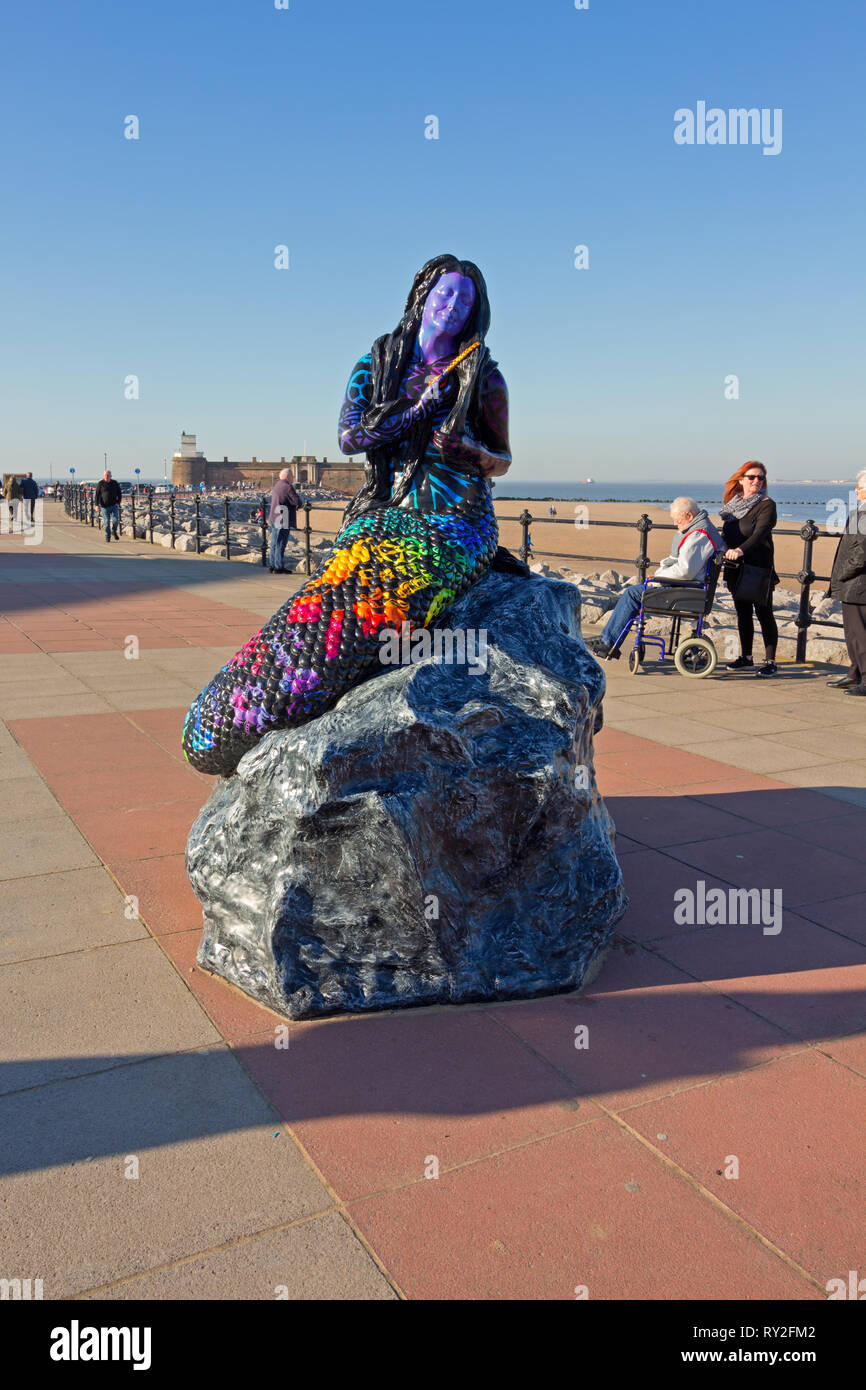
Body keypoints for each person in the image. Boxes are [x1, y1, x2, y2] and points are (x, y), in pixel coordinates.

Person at [183, 253, 511, 776]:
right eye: (444, 293)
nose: (451, 306)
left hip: (455, 518)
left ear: (475, 312)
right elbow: (350, 436)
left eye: (465, 300)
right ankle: (253, 695)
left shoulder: (484, 377)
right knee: (345, 572)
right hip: (385, 509)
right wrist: (417, 413)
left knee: (383, 586)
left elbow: (501, 460)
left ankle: (283, 691)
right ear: (422, 296)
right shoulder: (378, 363)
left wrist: (464, 447)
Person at [588, 497, 723, 659]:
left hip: (686, 589)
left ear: (689, 515)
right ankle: (607, 639)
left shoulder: (699, 535)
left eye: (677, 520)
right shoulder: (703, 528)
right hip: (690, 587)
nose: (675, 524)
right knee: (634, 592)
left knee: (632, 594)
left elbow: (685, 571)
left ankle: (608, 643)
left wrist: (659, 577)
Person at [720, 461, 779, 676]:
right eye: (752, 477)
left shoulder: (766, 505)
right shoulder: (733, 504)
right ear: (741, 479)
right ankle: (746, 658)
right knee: (742, 613)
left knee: (764, 613)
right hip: (736, 567)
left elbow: (760, 533)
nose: (757, 481)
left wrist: (740, 550)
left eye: (761, 477)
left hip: (758, 568)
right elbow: (728, 533)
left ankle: (770, 661)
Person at [827, 470, 866, 695]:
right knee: (852, 633)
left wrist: (842, 573)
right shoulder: (858, 512)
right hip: (851, 583)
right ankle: (855, 673)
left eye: (859, 488)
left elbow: (862, 552)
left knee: (859, 633)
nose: (855, 491)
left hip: (857, 583)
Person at [268, 468, 301, 573]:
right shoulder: (287, 487)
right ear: (287, 476)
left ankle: (273, 565)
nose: (293, 478)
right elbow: (297, 501)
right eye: (292, 476)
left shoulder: (277, 485)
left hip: (274, 516)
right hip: (283, 516)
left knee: (274, 542)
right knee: (280, 543)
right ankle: (278, 567)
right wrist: (299, 504)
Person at [94, 469, 122, 541]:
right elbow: (97, 495)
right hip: (104, 506)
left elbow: (119, 493)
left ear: (111, 476)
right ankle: (108, 535)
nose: (107, 476)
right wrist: (96, 505)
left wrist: (118, 502)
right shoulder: (100, 483)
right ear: (103, 476)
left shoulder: (115, 483)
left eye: (108, 475)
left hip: (114, 505)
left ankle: (113, 531)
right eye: (105, 475)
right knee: (106, 523)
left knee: (115, 520)